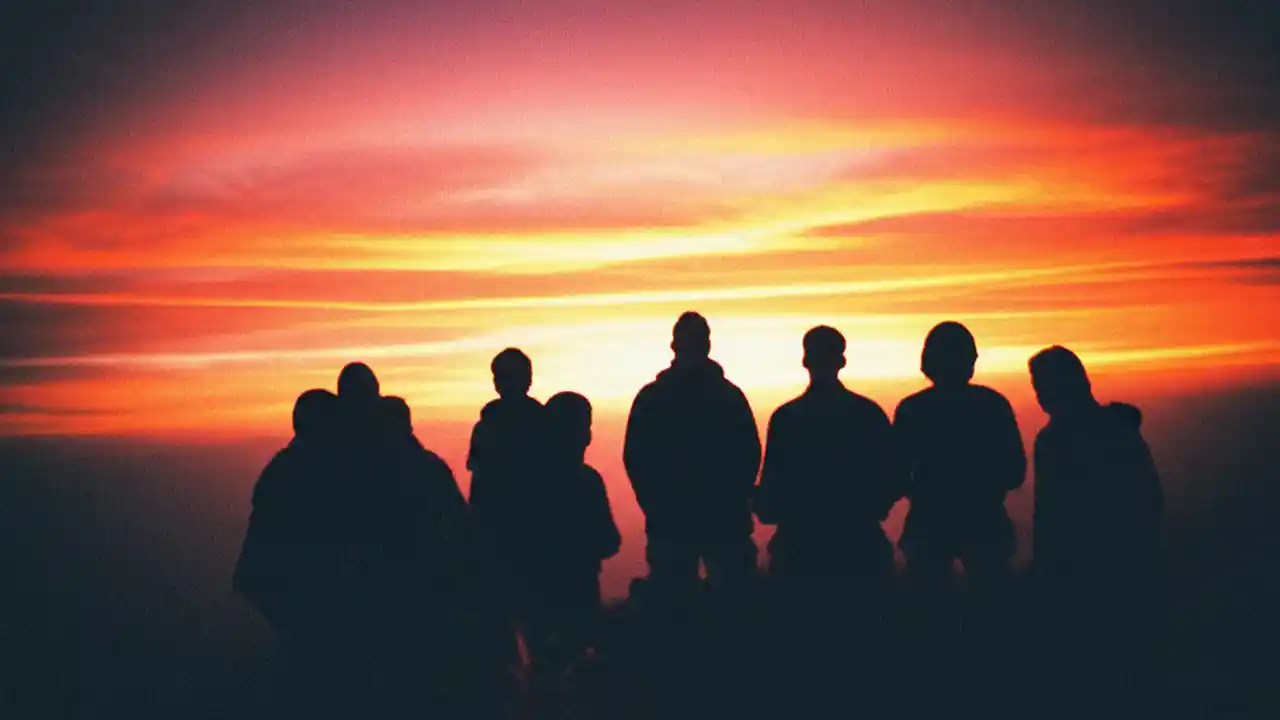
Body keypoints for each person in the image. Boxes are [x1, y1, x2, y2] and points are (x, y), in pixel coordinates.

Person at [1027, 346, 1164, 698]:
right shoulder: (1119, 429)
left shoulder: (1054, 440)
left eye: (1043, 385)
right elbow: (1149, 496)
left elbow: (1049, 512)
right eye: (1037, 386)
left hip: (1083, 568)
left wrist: (1043, 567)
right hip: (1128, 563)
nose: (1040, 395)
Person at [624, 311, 761, 602]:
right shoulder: (729, 397)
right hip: (719, 518)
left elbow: (636, 459)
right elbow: (749, 454)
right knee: (733, 598)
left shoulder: (652, 398)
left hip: (678, 519)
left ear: (674, 346)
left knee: (674, 600)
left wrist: (656, 506)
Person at [755, 326, 904, 589]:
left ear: (805, 361)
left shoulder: (787, 418)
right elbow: (892, 478)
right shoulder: (867, 414)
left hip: (800, 548)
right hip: (858, 545)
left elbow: (771, 492)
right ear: (842, 361)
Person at [894, 322, 1026, 594]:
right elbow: (1014, 472)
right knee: (993, 599)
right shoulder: (992, 404)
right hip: (983, 522)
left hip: (930, 523)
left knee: (927, 601)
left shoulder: (913, 409)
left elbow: (896, 475)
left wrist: (927, 487)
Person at [519, 392, 620, 694]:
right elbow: (609, 541)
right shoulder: (587, 481)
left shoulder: (527, 480)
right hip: (578, 591)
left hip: (536, 594)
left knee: (546, 673)